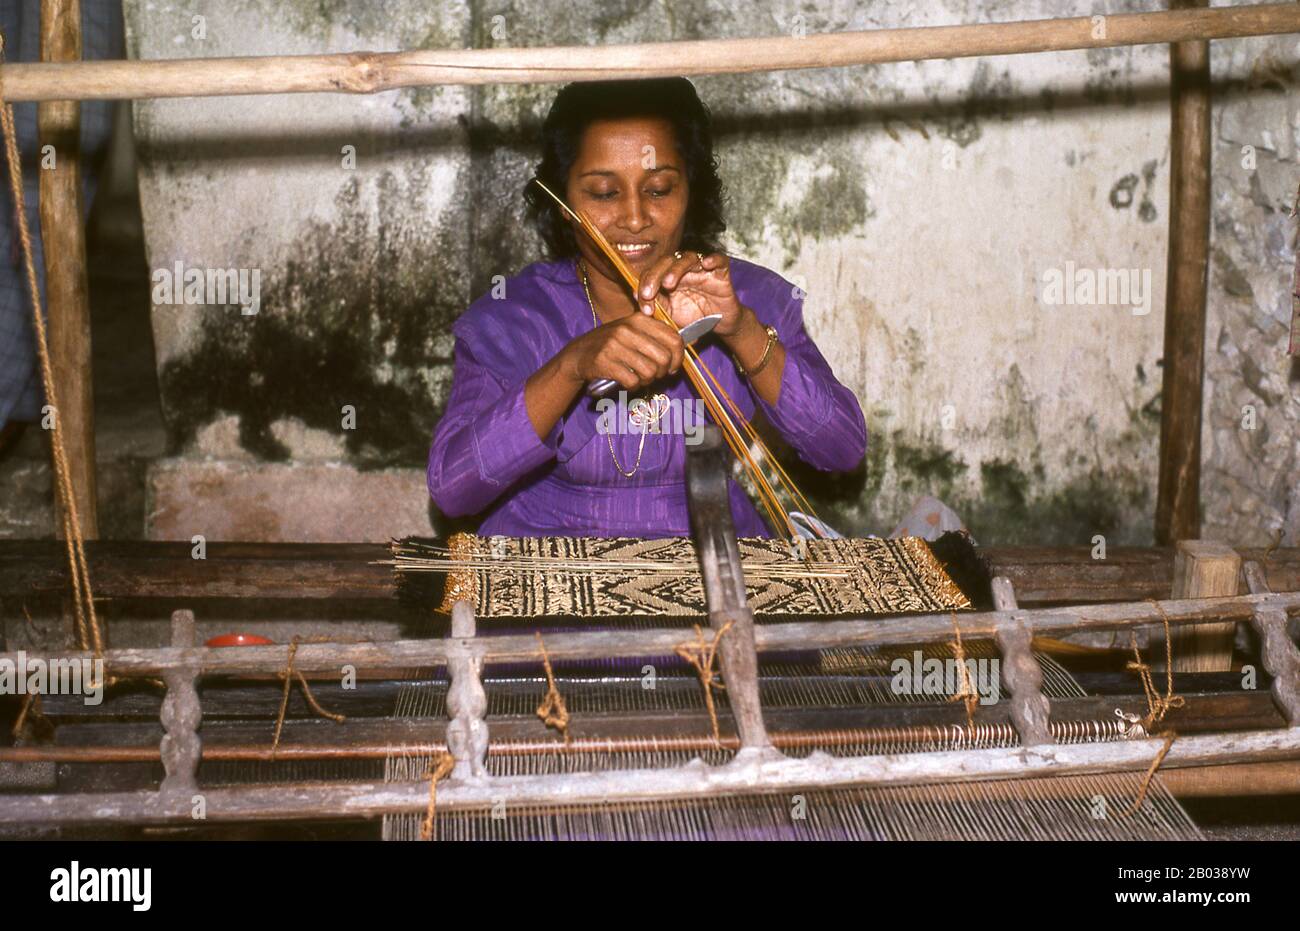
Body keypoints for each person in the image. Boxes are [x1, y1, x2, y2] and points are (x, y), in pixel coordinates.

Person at [427, 78, 866, 538]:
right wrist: (572, 366)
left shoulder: (746, 296)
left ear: (690, 191)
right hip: (550, 572)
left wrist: (741, 331)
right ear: (562, 203)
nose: (634, 219)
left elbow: (842, 451)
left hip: (714, 560)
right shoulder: (514, 318)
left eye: (658, 190)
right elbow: (454, 490)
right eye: (603, 193)